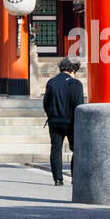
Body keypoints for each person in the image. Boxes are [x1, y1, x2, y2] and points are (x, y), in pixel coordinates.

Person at [43, 57, 85, 186]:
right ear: (72, 69)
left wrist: (51, 114)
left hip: (54, 121)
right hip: (71, 121)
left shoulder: (51, 82)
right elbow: (78, 104)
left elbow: (46, 102)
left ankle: (58, 179)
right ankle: (74, 177)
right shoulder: (76, 84)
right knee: (76, 149)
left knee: (56, 148)